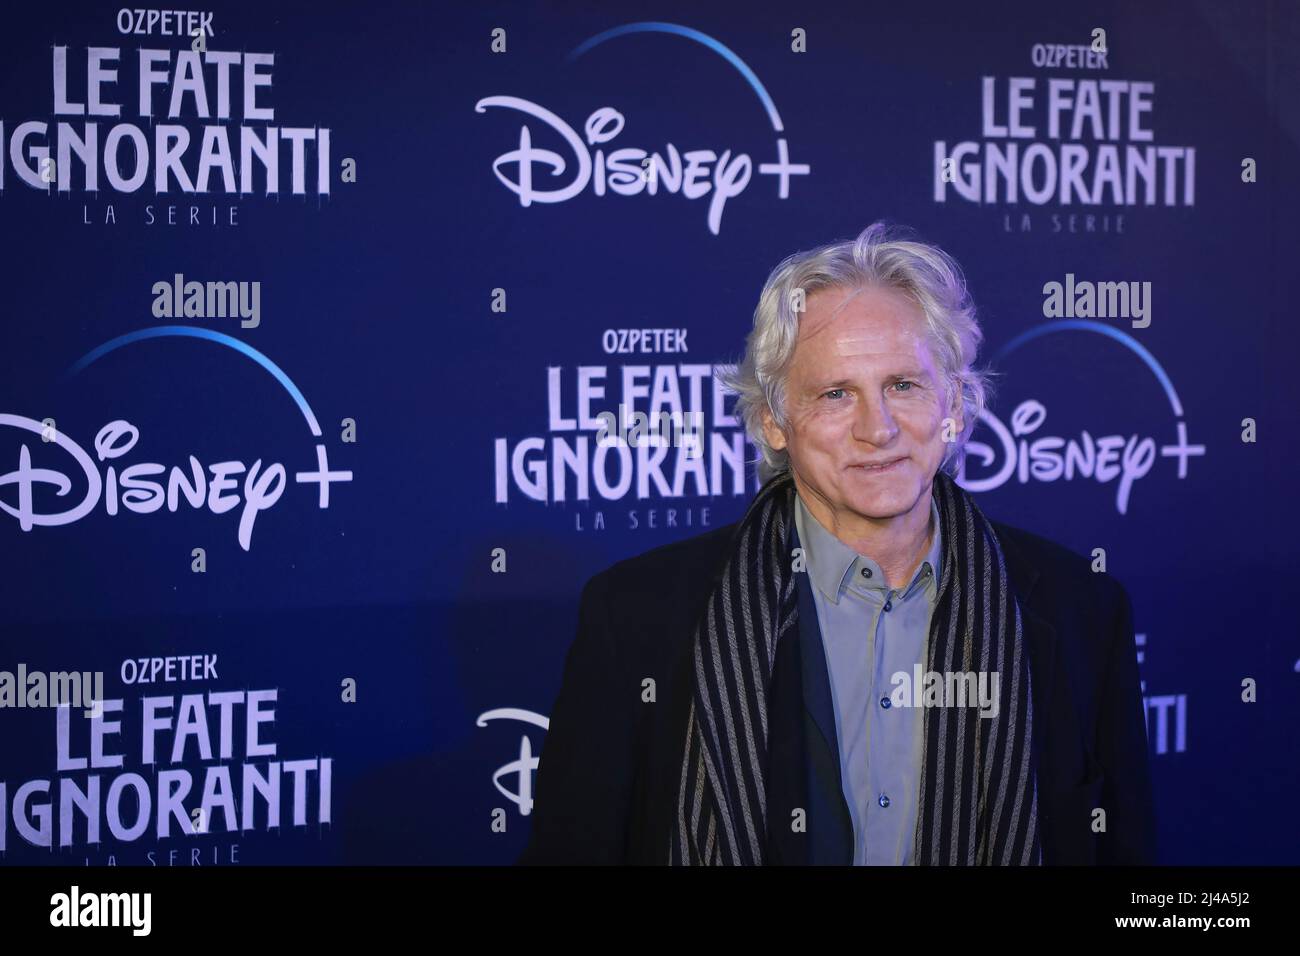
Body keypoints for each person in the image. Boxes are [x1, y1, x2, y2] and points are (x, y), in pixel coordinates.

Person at [520, 222, 1156, 865]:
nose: (877, 429)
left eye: (903, 385)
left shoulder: (1081, 612)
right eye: (835, 394)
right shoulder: (638, 618)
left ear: (956, 405)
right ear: (773, 421)